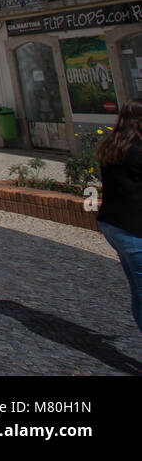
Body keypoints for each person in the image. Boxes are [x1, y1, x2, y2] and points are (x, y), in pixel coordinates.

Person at [96, 97, 142, 335]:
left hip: (114, 226)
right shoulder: (137, 151)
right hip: (135, 230)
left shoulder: (112, 146)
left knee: (138, 291)